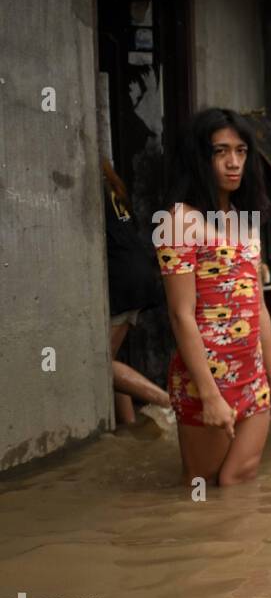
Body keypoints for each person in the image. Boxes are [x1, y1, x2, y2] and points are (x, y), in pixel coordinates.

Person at [156, 108, 271, 486]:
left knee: (239, 479)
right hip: (207, 382)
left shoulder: (246, 221)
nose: (234, 163)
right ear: (201, 157)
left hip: (253, 378)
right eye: (220, 152)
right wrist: (210, 395)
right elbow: (181, 315)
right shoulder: (178, 221)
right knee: (200, 490)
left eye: (241, 151)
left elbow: (259, 309)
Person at [103, 159, 172, 429]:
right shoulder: (111, 185)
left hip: (123, 279)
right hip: (135, 273)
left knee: (101, 365)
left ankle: (169, 404)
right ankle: (129, 426)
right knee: (111, 357)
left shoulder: (92, 186)